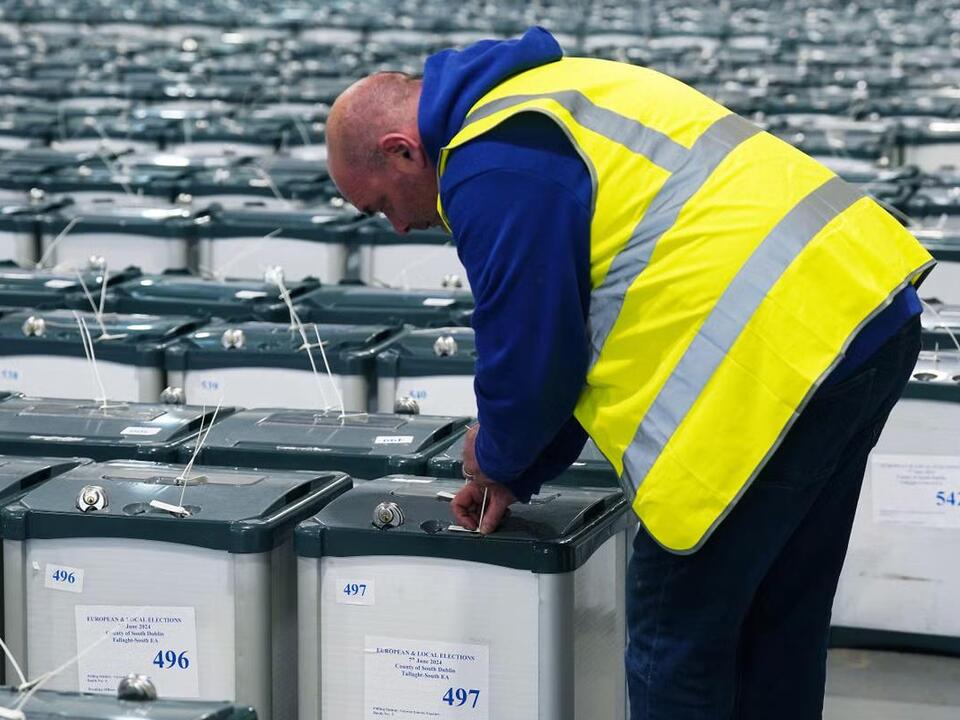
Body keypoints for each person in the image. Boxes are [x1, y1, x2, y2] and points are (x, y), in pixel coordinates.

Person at [326, 27, 933, 720]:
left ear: (401, 152)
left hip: (775, 366)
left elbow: (533, 353)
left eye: (380, 207)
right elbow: (572, 333)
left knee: (675, 637)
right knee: (779, 614)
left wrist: (492, 455)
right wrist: (517, 473)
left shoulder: (490, 161)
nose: (397, 228)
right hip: (862, 311)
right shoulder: (554, 95)